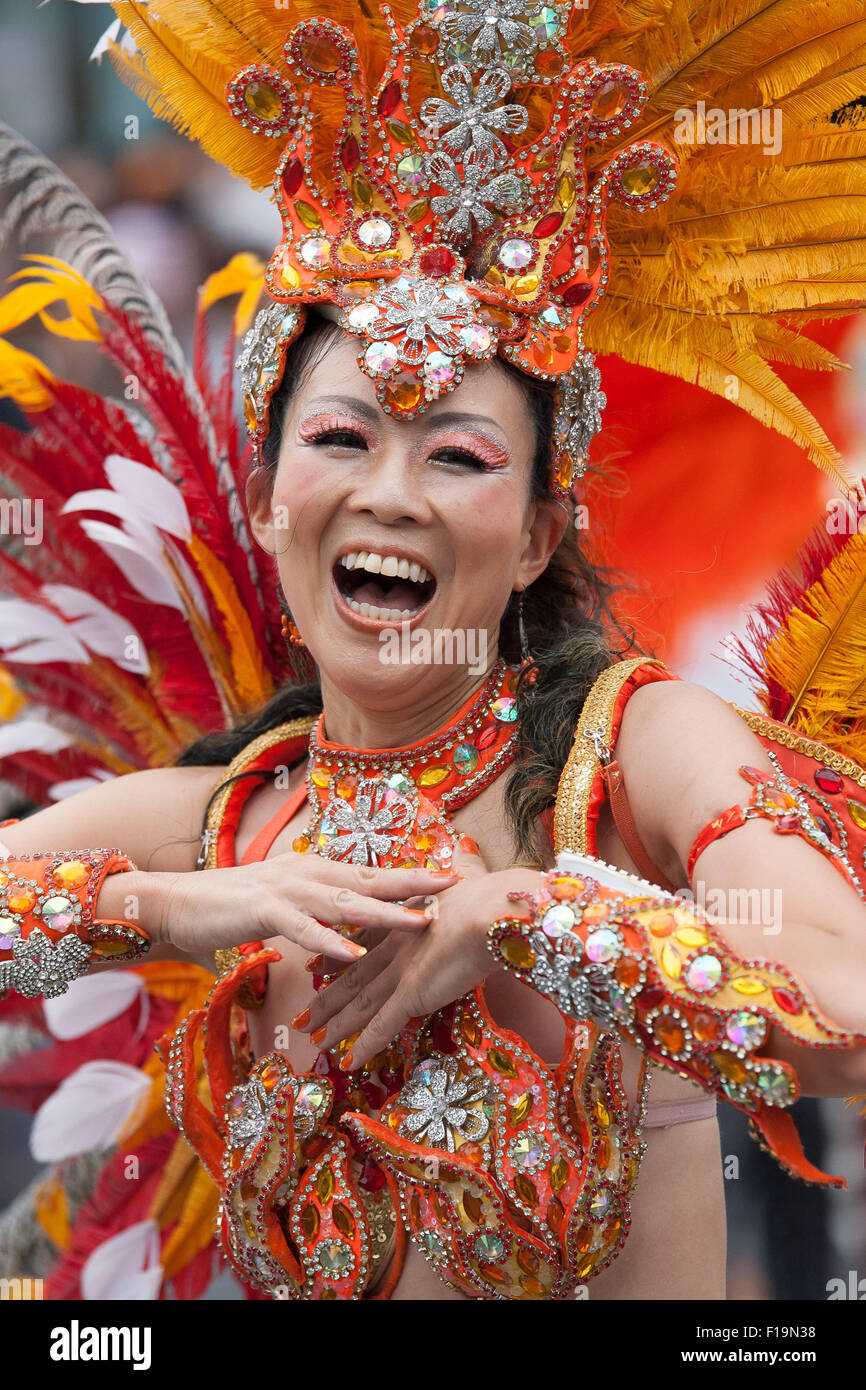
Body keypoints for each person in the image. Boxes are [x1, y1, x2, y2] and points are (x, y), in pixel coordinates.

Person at [0, 0, 864, 1301]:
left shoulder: (628, 759)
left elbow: (844, 1013)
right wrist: (151, 906)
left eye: (456, 455)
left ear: (534, 535)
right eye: (342, 439)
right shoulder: (230, 820)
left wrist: (528, 914)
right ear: (268, 504)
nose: (390, 493)